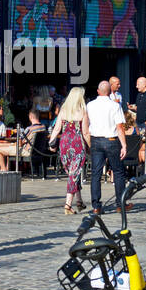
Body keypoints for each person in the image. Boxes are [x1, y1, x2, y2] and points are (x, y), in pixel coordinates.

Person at [86, 80, 128, 214]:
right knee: (118, 172)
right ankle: (120, 204)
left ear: (98, 91)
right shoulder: (114, 106)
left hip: (96, 139)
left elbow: (86, 124)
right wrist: (124, 145)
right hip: (111, 139)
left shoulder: (90, 105)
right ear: (110, 92)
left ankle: (96, 206)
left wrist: (88, 140)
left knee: (95, 174)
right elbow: (120, 127)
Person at [49, 86, 90, 214]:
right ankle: (67, 205)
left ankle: (79, 201)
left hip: (65, 142)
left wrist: (51, 142)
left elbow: (56, 129)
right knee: (74, 173)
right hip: (77, 143)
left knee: (73, 172)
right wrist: (91, 147)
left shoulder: (63, 110)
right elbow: (85, 133)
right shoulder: (83, 111)